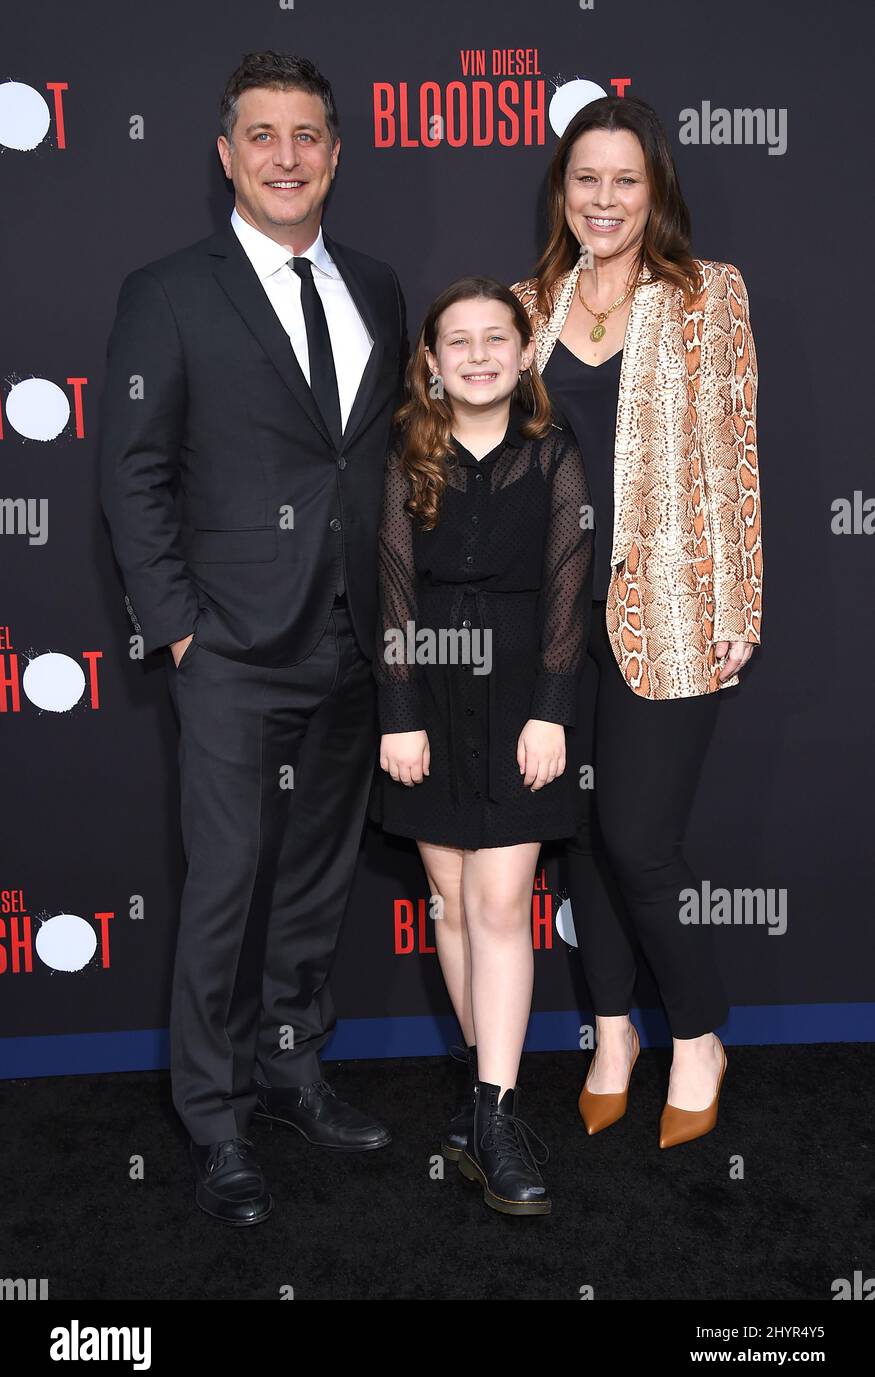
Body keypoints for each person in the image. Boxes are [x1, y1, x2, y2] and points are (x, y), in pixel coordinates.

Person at [98, 51, 407, 1225]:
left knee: (316, 883)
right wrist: (178, 630)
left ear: (336, 154)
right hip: (228, 647)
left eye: (307, 136)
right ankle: (215, 1116)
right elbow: (132, 473)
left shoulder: (377, 286)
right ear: (226, 154)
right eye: (262, 135)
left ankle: (290, 1066)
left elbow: (368, 463)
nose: (286, 156)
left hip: (350, 641)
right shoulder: (168, 289)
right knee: (226, 884)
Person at [510, 94, 762, 1148]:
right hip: (549, 623)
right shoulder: (523, 305)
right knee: (576, 839)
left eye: (623, 179)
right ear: (560, 190)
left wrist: (739, 597)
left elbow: (734, 450)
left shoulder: (705, 294)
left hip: (670, 606)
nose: (601, 199)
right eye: (584, 178)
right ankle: (610, 1033)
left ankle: (695, 1035)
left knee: (634, 838)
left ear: (653, 188)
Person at [372, 277, 592, 1214]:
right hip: (425, 696)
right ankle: (480, 1102)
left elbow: (568, 585)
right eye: (455, 341)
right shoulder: (403, 454)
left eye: (493, 339)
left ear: (521, 353)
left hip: (518, 703)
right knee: (452, 905)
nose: (474, 354)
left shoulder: (553, 454)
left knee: (501, 904)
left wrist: (550, 709)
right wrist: (397, 712)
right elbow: (388, 586)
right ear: (430, 361)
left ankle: (495, 1118)